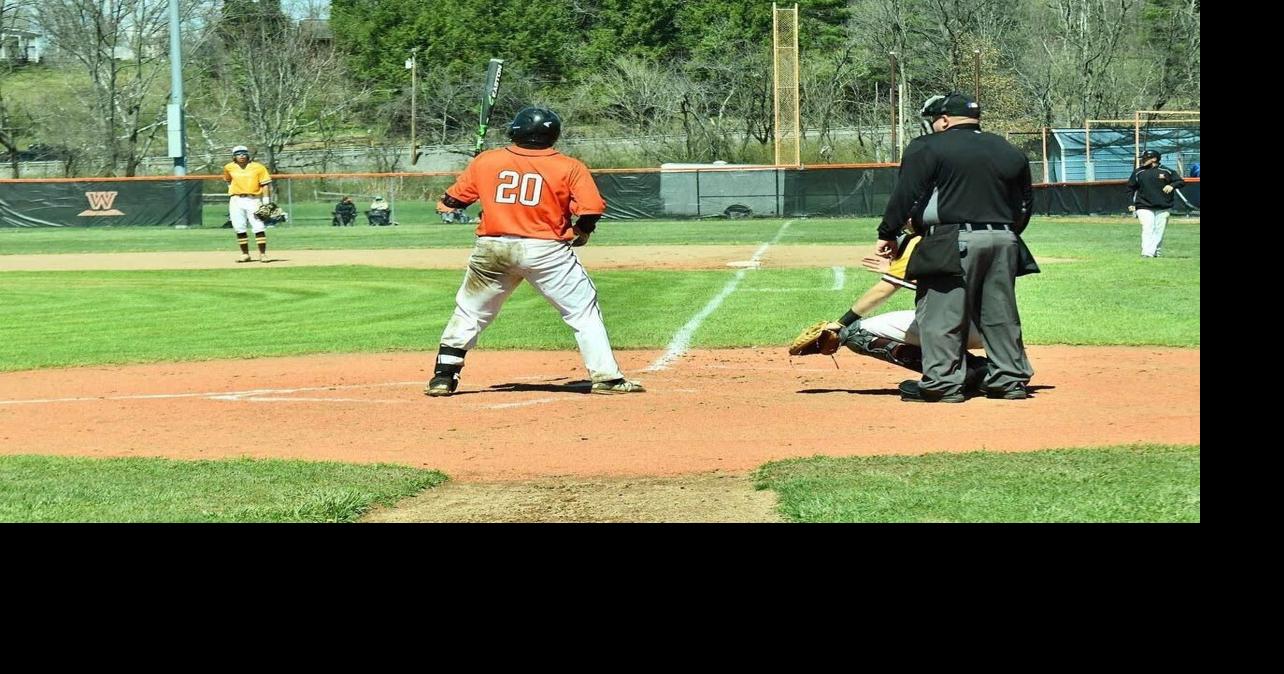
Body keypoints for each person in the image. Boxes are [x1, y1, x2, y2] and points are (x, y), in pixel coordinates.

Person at [425, 106, 644, 397]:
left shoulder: (487, 160)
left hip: (493, 249)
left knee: (471, 312)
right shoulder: (569, 166)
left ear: (515, 131)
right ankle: (607, 377)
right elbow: (592, 208)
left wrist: (471, 179)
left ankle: (443, 376)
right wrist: (583, 230)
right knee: (581, 311)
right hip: (547, 251)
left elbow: (451, 203)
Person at [874, 91, 1035, 403]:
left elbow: (906, 193)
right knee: (999, 314)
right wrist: (1007, 234)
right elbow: (1025, 203)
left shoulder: (928, 145)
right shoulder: (1009, 149)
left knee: (941, 314)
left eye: (934, 120)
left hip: (951, 239)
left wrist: (888, 233)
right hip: (1004, 240)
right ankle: (1010, 380)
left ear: (945, 120)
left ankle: (943, 384)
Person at [1127, 149, 1187, 258]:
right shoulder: (1138, 172)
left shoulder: (1167, 171)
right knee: (1148, 228)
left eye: (1145, 158)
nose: (1142, 161)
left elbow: (1180, 181)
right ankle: (1147, 253)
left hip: (1163, 206)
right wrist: (1131, 203)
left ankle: (1156, 252)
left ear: (1154, 159)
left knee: (1159, 230)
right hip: (1143, 205)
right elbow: (1130, 188)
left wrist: (1172, 185)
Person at [222, 145, 272, 262]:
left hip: (253, 199)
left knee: (258, 226)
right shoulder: (229, 167)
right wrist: (233, 191)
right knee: (239, 227)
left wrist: (266, 201)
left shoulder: (258, 167)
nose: (242, 156)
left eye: (244, 153)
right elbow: (228, 180)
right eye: (238, 154)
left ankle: (262, 254)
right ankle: (245, 254)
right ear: (234, 156)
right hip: (236, 199)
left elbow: (265, 184)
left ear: (248, 155)